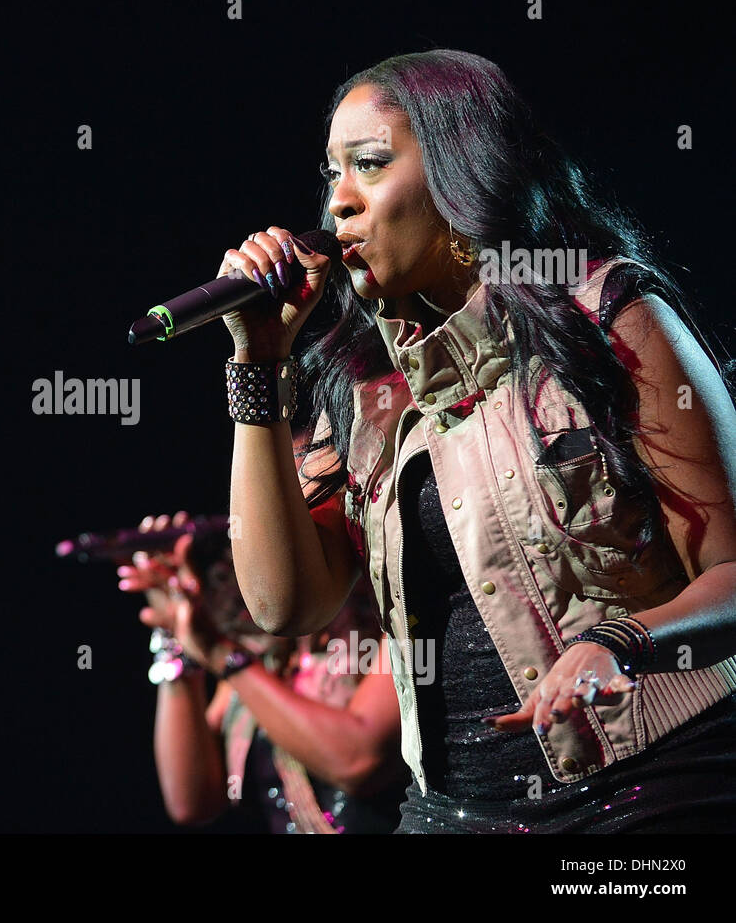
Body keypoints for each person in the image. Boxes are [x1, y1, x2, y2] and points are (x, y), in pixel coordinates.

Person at [214, 49, 736, 832]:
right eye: (331, 176)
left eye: (369, 164)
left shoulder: (608, 321)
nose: (338, 206)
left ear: (461, 170)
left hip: (651, 791)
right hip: (450, 814)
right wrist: (259, 365)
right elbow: (284, 604)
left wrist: (624, 641)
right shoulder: (367, 393)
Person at [118, 508, 406, 833]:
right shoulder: (268, 648)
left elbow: (357, 761)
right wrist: (176, 633)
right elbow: (192, 800)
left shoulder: (401, 613)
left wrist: (222, 656)